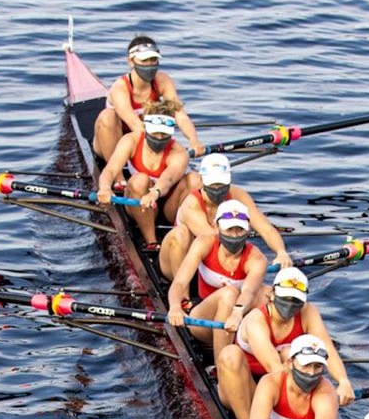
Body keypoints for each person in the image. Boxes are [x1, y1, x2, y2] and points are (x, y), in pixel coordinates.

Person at [215, 268, 353, 419]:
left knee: (293, 354)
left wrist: (343, 381)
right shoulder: (256, 320)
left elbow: (326, 347)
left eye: (296, 301)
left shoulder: (308, 311)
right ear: (273, 294)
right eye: (285, 298)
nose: (290, 305)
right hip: (242, 388)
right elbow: (274, 366)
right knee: (230, 354)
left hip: (278, 388)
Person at [157, 153, 292, 279]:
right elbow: (215, 241)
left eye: (221, 184)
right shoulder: (191, 205)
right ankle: (183, 296)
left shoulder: (238, 195)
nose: (217, 189)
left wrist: (281, 252)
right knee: (182, 233)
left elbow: (265, 229)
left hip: (210, 263)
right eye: (213, 184)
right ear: (201, 179)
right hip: (178, 263)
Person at [168, 199, 268, 354]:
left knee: (269, 294)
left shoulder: (257, 259)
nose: (234, 236)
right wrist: (174, 307)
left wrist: (236, 312)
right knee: (229, 293)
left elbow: (249, 292)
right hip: (202, 319)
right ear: (216, 227)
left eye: (239, 230)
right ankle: (221, 365)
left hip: (235, 319)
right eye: (229, 230)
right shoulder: (204, 243)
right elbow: (180, 282)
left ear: (248, 229)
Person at [92, 34, 204, 162]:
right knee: (108, 116)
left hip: (143, 141)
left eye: (153, 60)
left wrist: (194, 140)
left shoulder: (162, 81)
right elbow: (134, 124)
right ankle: (117, 176)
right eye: (144, 61)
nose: (150, 65)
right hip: (112, 143)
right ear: (131, 61)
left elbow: (180, 115)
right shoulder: (120, 88)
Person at [97, 99, 190, 250]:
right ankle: (151, 242)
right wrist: (105, 188)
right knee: (140, 180)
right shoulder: (131, 140)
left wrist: (155, 192)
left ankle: (182, 238)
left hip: (166, 207)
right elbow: (110, 170)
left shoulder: (179, 153)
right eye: (155, 133)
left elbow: (168, 179)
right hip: (136, 203)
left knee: (194, 180)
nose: (159, 138)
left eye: (164, 134)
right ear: (146, 127)